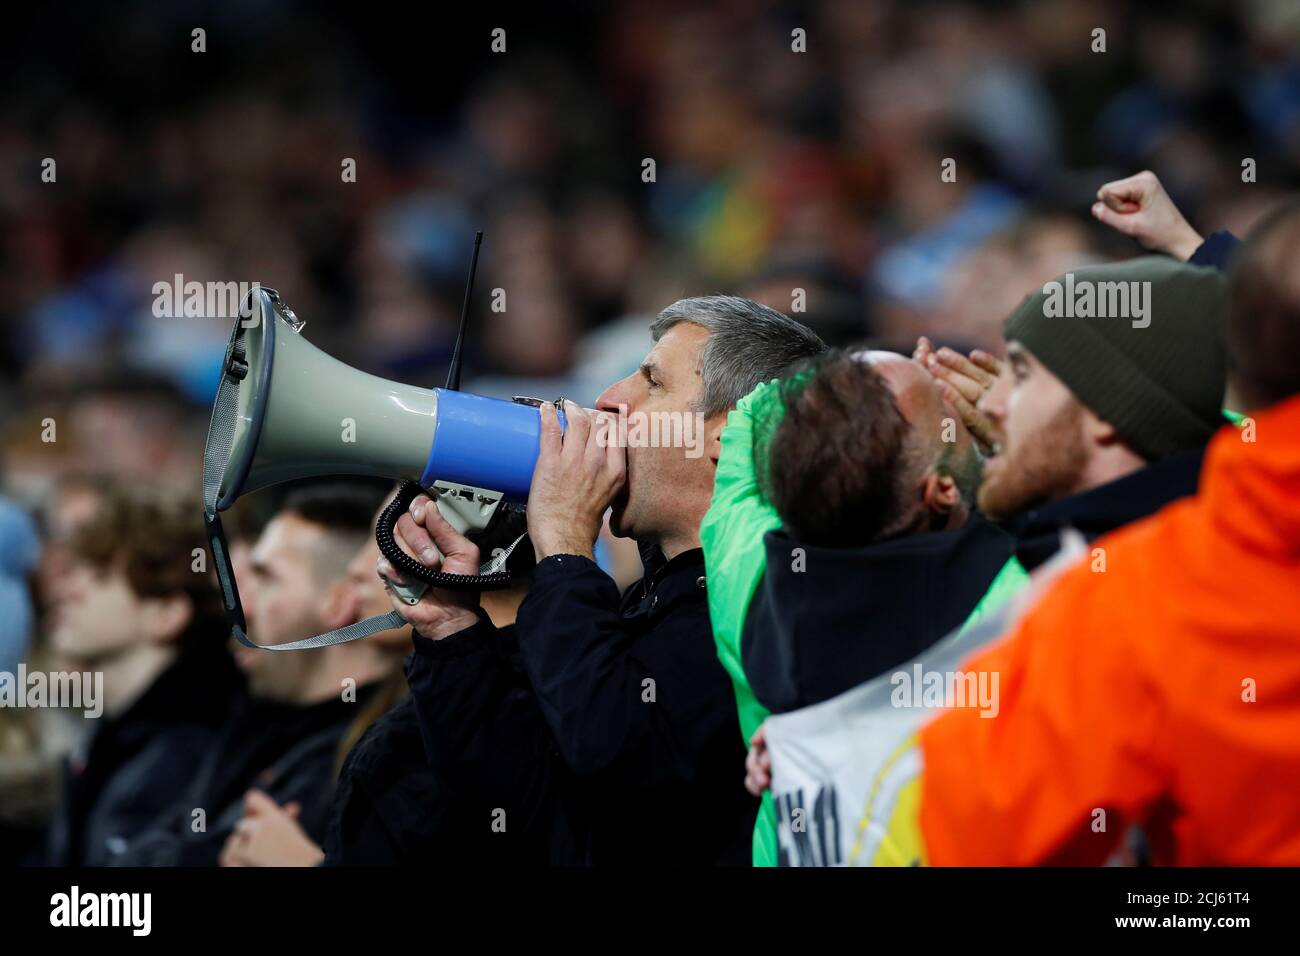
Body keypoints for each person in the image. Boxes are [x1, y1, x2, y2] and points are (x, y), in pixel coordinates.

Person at [915, 198, 1300, 865]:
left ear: (1106, 409)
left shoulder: (1130, 598)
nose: (993, 400)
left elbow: (978, 830)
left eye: (1023, 372)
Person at [382, 295, 826, 865]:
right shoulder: (655, 598)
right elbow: (515, 808)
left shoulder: (757, 605)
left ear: (726, 433)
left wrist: (565, 545)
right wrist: (452, 631)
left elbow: (619, 758)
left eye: (652, 382)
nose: (608, 398)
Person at [112, 482, 396, 866]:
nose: (238, 604)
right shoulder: (255, 716)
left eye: (265, 577)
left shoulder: (363, 761)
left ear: (340, 602)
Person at [918, 254, 1229, 574]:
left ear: (1105, 409)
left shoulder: (1136, 584)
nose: (988, 404)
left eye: (1022, 375)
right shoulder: (1062, 548)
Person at [40, 488, 240, 866]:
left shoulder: (187, 753)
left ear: (166, 614)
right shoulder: (121, 732)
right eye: (76, 572)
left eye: (100, 578)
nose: (68, 591)